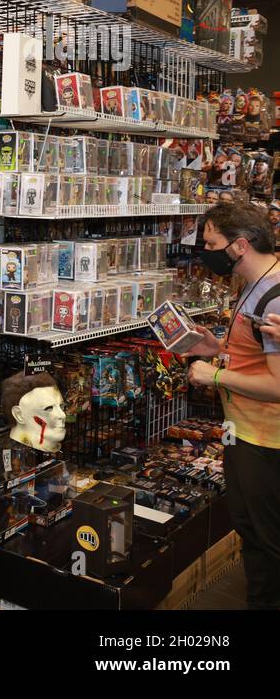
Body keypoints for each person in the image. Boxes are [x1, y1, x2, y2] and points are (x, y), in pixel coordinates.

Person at [185, 202, 280, 608]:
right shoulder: (255, 283)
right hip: (242, 430)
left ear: (240, 245)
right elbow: (257, 355)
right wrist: (219, 348)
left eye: (211, 243)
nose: (205, 250)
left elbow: (278, 386)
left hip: (266, 439)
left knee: (267, 539)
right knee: (251, 530)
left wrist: (215, 375)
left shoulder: (273, 298)